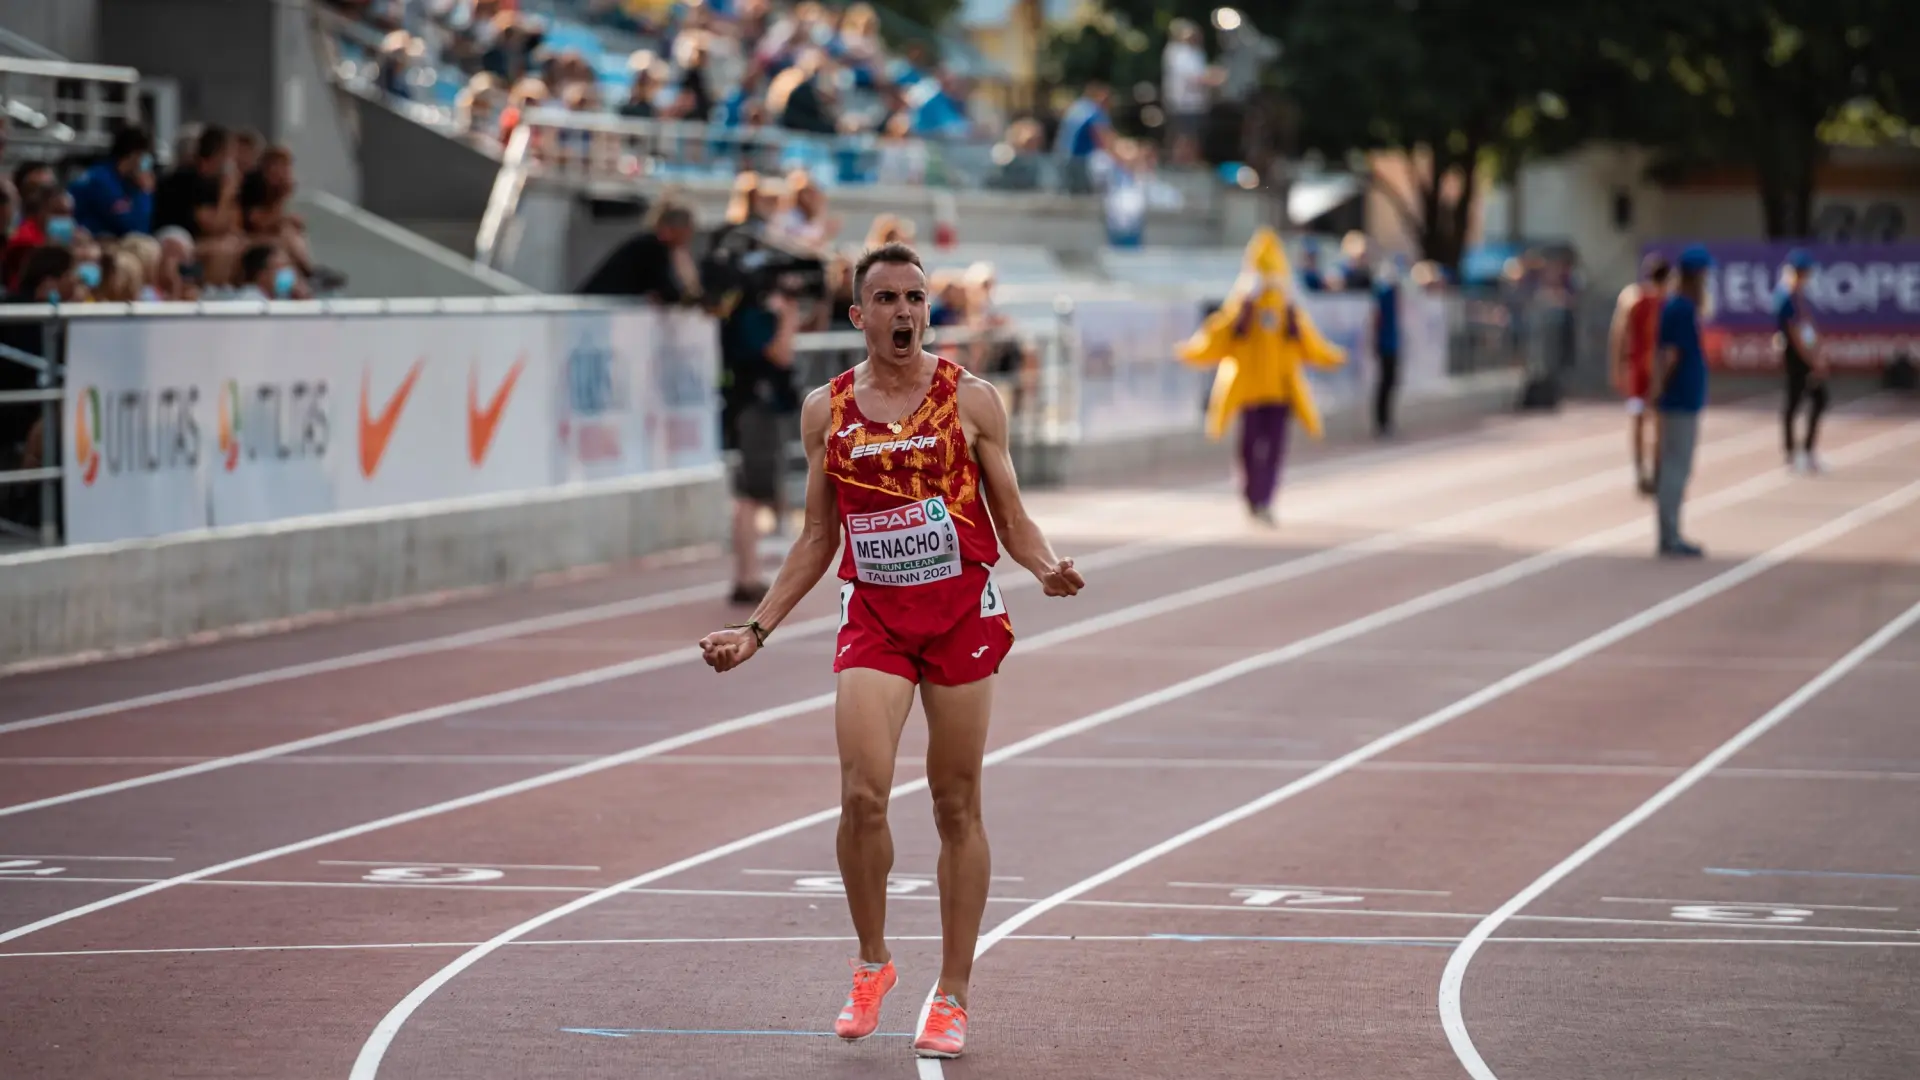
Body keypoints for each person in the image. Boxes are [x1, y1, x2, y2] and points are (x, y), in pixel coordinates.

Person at [697, 242, 1084, 1059]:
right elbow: (814, 536)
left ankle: (953, 992)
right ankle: (872, 963)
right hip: (873, 615)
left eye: (915, 298)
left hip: (959, 615)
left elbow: (1011, 515)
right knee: (862, 795)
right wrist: (755, 631)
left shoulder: (971, 401)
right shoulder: (826, 410)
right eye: (887, 299)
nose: (905, 312)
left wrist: (1046, 566)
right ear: (858, 315)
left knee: (954, 802)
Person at [1178, 227, 1347, 524]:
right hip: (1250, 391)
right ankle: (1251, 495)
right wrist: (1245, 307)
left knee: (1274, 452)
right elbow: (1223, 335)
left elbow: (1307, 342)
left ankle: (1265, 499)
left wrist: (1332, 354)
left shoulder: (1287, 308)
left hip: (1279, 392)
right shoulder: (1243, 304)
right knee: (1248, 449)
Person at [1652, 245, 1713, 558]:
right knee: (1676, 466)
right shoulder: (1681, 308)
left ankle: (1671, 531)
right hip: (1679, 398)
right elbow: (1671, 354)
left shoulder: (1682, 306)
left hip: (1683, 396)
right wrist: (1660, 390)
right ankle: (1669, 533)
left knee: (1676, 465)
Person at [1609, 253, 1670, 494]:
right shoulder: (1634, 299)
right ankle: (1647, 471)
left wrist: (1616, 367)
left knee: (1645, 421)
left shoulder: (1639, 299)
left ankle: (1648, 471)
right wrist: (1617, 367)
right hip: (1643, 370)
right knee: (1649, 421)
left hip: (1642, 370)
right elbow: (1620, 334)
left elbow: (1618, 336)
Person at [1774, 248, 1827, 473]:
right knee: (1794, 402)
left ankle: (1806, 450)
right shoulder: (1786, 297)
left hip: (1805, 354)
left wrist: (1817, 350)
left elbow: (1806, 328)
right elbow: (1794, 333)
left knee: (1818, 399)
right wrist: (1811, 358)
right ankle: (1792, 453)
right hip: (1796, 356)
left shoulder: (1798, 296)